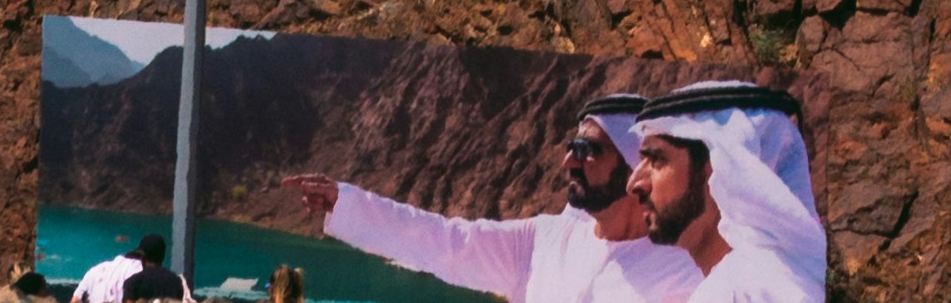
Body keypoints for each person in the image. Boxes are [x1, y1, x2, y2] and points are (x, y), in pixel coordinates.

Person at [267, 123, 689, 303]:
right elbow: (446, 242)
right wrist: (348, 203)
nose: (569, 162)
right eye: (569, 148)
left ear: (635, 163)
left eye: (587, 150)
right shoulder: (544, 242)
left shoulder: (685, 273)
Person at [617, 135, 818, 303]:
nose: (633, 184)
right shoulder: (738, 283)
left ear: (715, 168)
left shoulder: (754, 287)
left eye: (656, 160)